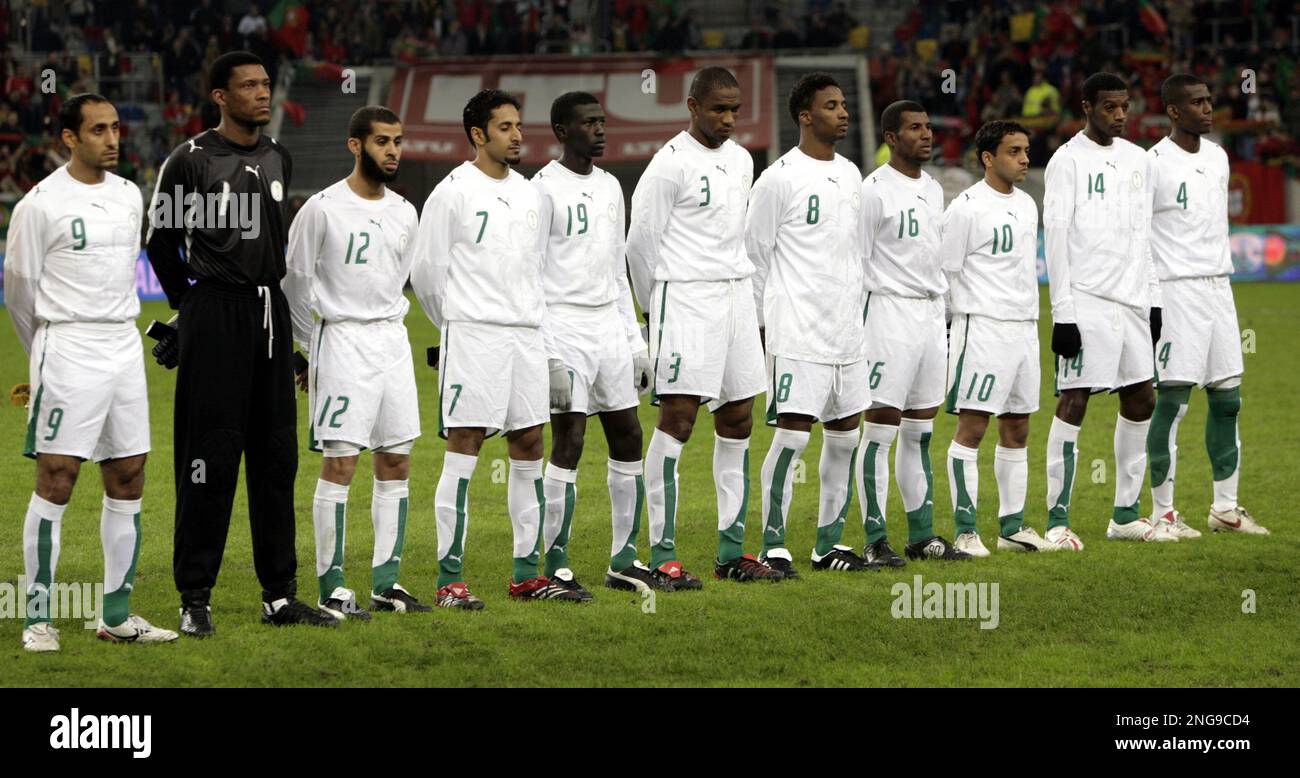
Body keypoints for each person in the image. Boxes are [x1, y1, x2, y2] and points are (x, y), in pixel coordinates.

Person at [147, 51, 335, 636]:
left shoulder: (278, 154)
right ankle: (194, 595)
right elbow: (161, 245)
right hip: (217, 312)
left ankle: (279, 594)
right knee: (210, 455)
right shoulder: (190, 161)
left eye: (265, 84)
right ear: (220, 97)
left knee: (277, 456)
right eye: (248, 86)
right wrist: (193, 311)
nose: (261, 94)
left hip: (269, 313)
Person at [5, 94, 178, 652]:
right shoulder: (39, 205)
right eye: (98, 130)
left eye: (116, 128)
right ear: (70, 139)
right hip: (69, 343)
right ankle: (38, 618)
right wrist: (45, 358)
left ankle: (116, 615)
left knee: (128, 474)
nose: (112, 139)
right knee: (57, 479)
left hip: (122, 342)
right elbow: (22, 295)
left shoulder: (130, 195)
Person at [412, 89, 583, 610]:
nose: (516, 135)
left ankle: (526, 574)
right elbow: (426, 274)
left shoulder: (533, 193)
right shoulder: (452, 192)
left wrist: (546, 346)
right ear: (477, 135)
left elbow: (537, 274)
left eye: (518, 126)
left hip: (526, 336)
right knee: (466, 444)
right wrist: (459, 326)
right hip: (476, 334)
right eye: (504, 127)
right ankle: (449, 582)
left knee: (530, 443)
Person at [628, 66, 783, 588]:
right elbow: (640, 244)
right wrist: (658, 310)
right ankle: (663, 554)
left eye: (736, 109)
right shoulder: (668, 164)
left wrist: (753, 306)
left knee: (739, 416)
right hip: (686, 297)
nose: (729, 118)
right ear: (692, 106)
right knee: (679, 419)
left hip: (735, 294)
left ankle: (731, 551)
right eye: (719, 108)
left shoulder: (742, 160)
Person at [283, 105, 432, 622]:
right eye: (382, 141)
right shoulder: (322, 209)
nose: (393, 150)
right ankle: (331, 586)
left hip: (392, 342)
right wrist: (306, 352)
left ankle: (387, 583)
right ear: (355, 146)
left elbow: (404, 277)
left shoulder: (405, 212)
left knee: (396, 460)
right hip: (341, 342)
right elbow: (295, 284)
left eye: (398, 140)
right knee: (341, 463)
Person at [746, 72, 876, 576]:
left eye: (844, 104)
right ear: (805, 116)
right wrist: (760, 327)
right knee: (794, 436)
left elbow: (856, 253)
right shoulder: (778, 178)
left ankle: (828, 544)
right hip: (796, 329)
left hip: (846, 329)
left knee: (844, 435)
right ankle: (774, 543)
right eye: (831, 106)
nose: (843, 113)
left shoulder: (850, 174)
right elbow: (754, 256)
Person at [531, 92, 658, 596]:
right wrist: (550, 355)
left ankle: (623, 560)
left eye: (603, 121)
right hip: (563, 327)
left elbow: (617, 272)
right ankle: (556, 562)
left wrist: (635, 343)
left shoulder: (610, 187)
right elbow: (532, 277)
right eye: (589, 123)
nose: (601, 130)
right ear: (562, 131)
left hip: (608, 326)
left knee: (628, 436)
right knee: (569, 441)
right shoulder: (540, 189)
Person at [1042, 72, 1170, 548]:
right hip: (1088, 300)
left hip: (1134, 300)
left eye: (1124, 106)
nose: (1119, 115)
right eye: (1109, 107)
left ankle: (1124, 516)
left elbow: (1144, 234)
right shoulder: (1067, 161)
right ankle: (1057, 522)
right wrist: (1063, 313)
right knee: (1075, 402)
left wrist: (1154, 298)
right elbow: (1054, 238)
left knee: (1142, 399)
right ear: (1087, 107)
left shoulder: (1140, 160)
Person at [1145, 73, 1268, 536]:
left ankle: (1225, 509)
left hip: (1220, 287)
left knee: (1228, 399)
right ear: (1173, 111)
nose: (1208, 109)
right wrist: (1151, 298)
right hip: (1175, 289)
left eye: (1209, 101)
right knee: (1173, 402)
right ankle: (1162, 514)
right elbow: (1138, 234)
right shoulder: (1152, 163)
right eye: (1197, 102)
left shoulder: (1218, 157)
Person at [858, 100, 971, 565]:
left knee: (921, 430)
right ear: (890, 137)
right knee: (880, 428)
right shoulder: (872, 190)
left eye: (928, 127)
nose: (926, 135)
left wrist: (944, 313)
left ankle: (922, 535)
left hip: (928, 316)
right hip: (887, 313)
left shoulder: (932, 187)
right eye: (914, 128)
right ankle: (873, 537)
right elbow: (857, 260)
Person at [940, 120, 1055, 555]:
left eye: (1026, 150)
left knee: (1019, 428)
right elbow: (945, 273)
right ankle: (966, 531)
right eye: (1014, 151)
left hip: (1024, 328)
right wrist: (953, 329)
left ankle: (1012, 528)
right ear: (988, 158)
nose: (1025, 158)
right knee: (972, 428)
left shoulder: (1027, 205)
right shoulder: (965, 208)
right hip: (982, 328)